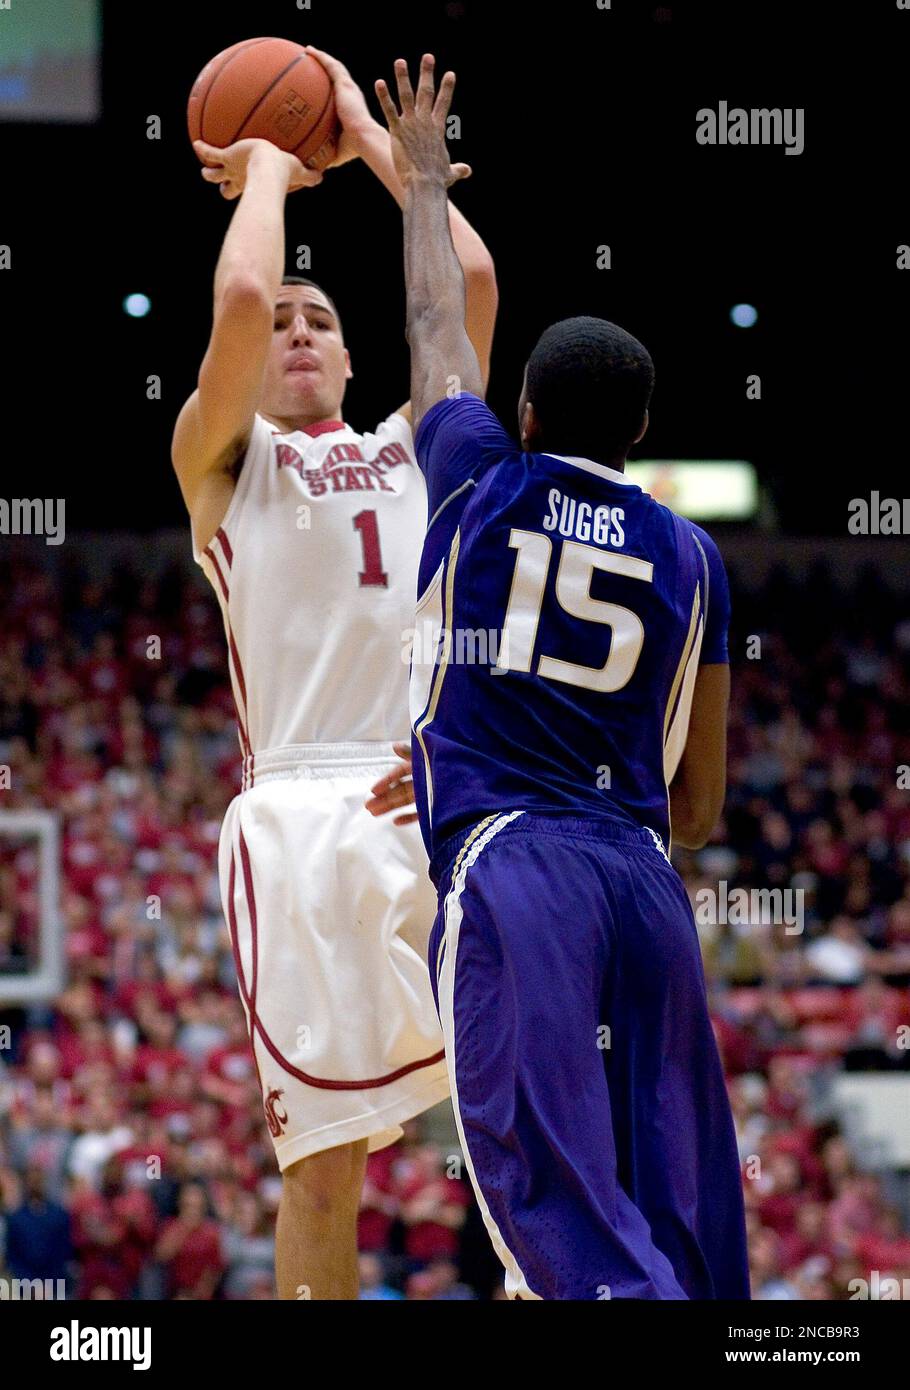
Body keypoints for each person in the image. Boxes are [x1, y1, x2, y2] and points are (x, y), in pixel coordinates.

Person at [374, 54, 749, 1299]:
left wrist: (422, 178)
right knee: (681, 1215)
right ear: (639, 436)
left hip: (519, 865)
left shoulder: (481, 472)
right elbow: (698, 807)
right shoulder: (694, 558)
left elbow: (435, 331)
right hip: (643, 889)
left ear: (523, 409)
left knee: (555, 1220)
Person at [170, 47, 497, 1300]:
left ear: (360, 365)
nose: (297, 329)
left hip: (438, 792)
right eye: (287, 325)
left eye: (326, 322)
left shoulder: (416, 443)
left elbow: (463, 284)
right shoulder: (220, 460)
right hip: (302, 812)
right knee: (323, 1159)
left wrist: (373, 140)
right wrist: (266, 172)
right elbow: (242, 302)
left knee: (524, 1107)